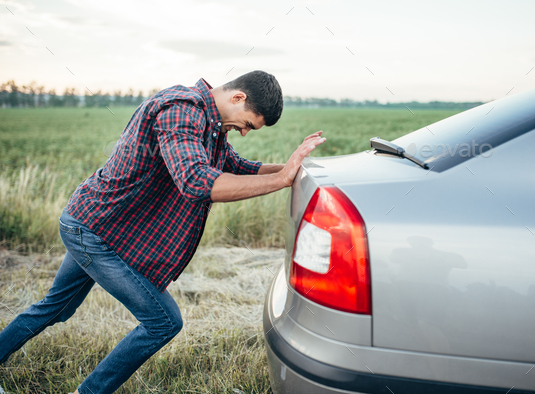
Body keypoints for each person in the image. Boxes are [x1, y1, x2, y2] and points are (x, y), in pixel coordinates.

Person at [0, 70, 325, 394]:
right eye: (249, 124)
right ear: (238, 98)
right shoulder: (180, 109)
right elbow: (195, 181)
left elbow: (237, 166)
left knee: (56, 307)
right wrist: (280, 180)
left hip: (106, 230)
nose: (244, 132)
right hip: (94, 230)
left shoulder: (211, 125)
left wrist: (292, 170)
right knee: (164, 322)